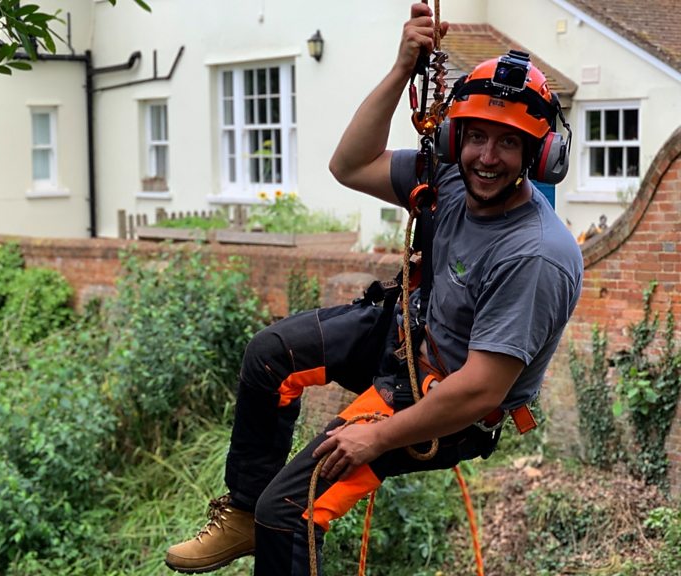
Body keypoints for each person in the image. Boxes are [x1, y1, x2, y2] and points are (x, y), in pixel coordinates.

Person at [164, 3, 584, 575]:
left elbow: (481, 392)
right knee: (270, 357)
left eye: (508, 144)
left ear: (537, 156)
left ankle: (263, 519)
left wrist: (378, 437)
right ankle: (242, 516)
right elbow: (349, 163)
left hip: (446, 402)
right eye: (477, 137)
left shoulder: (535, 255)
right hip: (409, 336)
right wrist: (399, 67)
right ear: (456, 136)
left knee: (287, 512)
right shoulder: (451, 178)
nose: (487, 158)